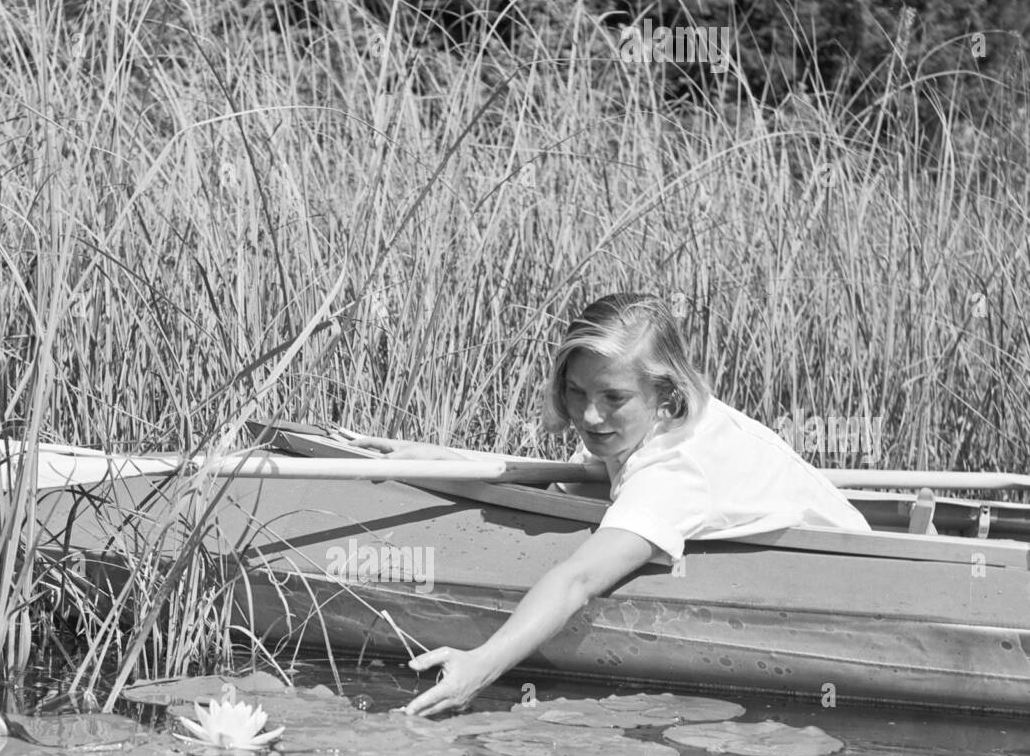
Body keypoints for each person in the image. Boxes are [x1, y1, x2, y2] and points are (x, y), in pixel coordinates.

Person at [354, 292, 872, 716]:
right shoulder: (644, 429)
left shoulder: (674, 472)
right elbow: (571, 482)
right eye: (576, 392)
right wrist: (440, 458)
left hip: (854, 575)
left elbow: (578, 579)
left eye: (613, 398)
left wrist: (480, 667)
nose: (590, 416)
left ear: (666, 396)